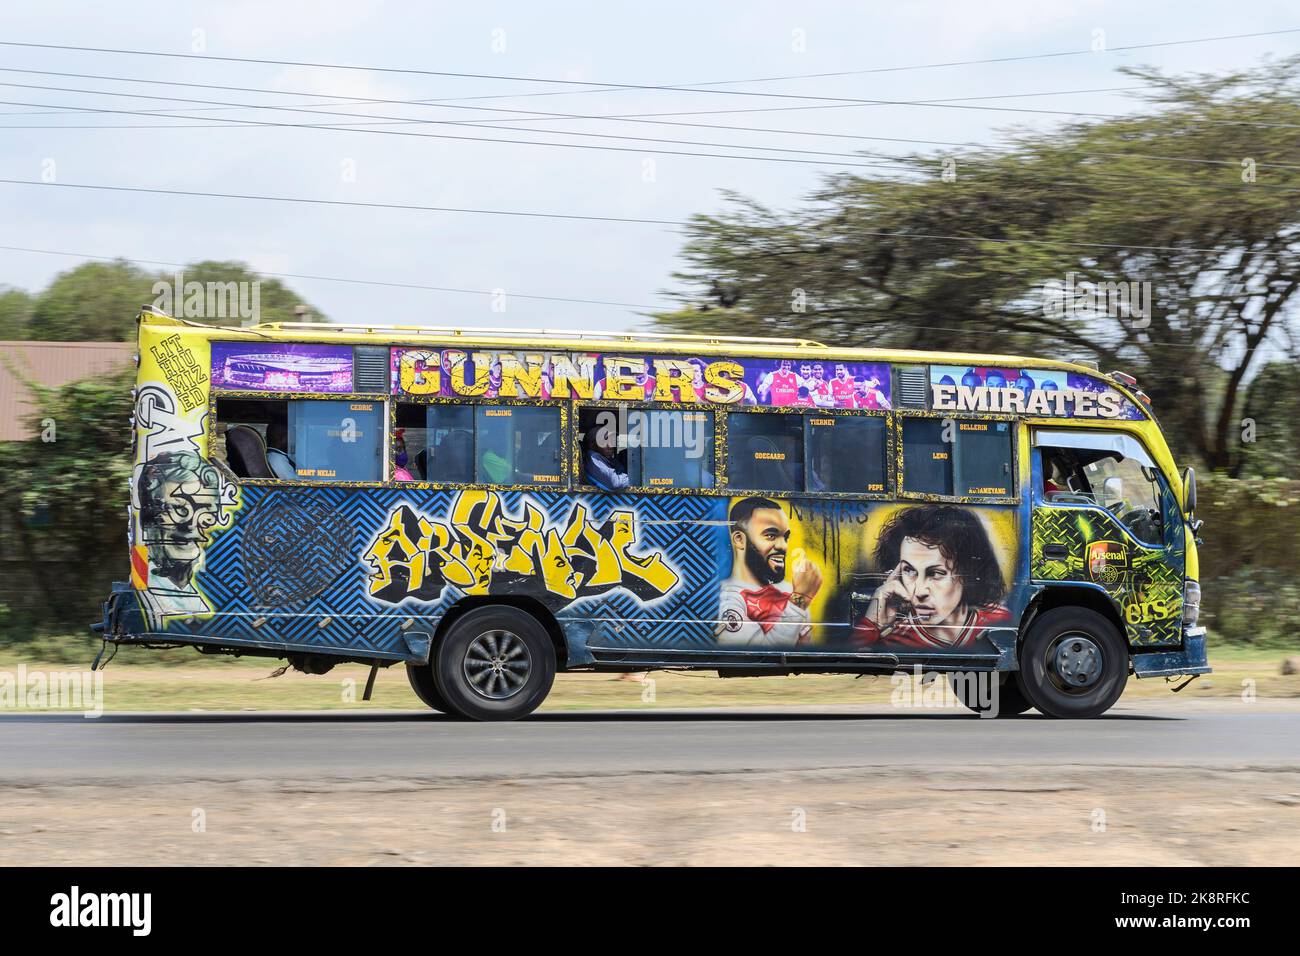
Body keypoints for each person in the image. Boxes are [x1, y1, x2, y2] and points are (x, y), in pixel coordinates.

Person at [850, 505, 1011, 650]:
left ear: (967, 572)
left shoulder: (999, 619)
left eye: (935, 573)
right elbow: (853, 664)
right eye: (909, 570)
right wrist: (872, 624)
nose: (919, 591)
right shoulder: (895, 640)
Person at [715, 497, 823, 648]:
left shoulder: (790, 590)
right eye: (770, 535)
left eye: (785, 537)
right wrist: (800, 600)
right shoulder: (726, 598)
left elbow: (802, 653)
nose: (783, 546)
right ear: (739, 539)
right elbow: (756, 655)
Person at [583, 421, 630, 490]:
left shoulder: (608, 460)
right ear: (592, 445)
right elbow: (615, 483)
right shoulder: (593, 457)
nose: (610, 446)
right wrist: (636, 478)